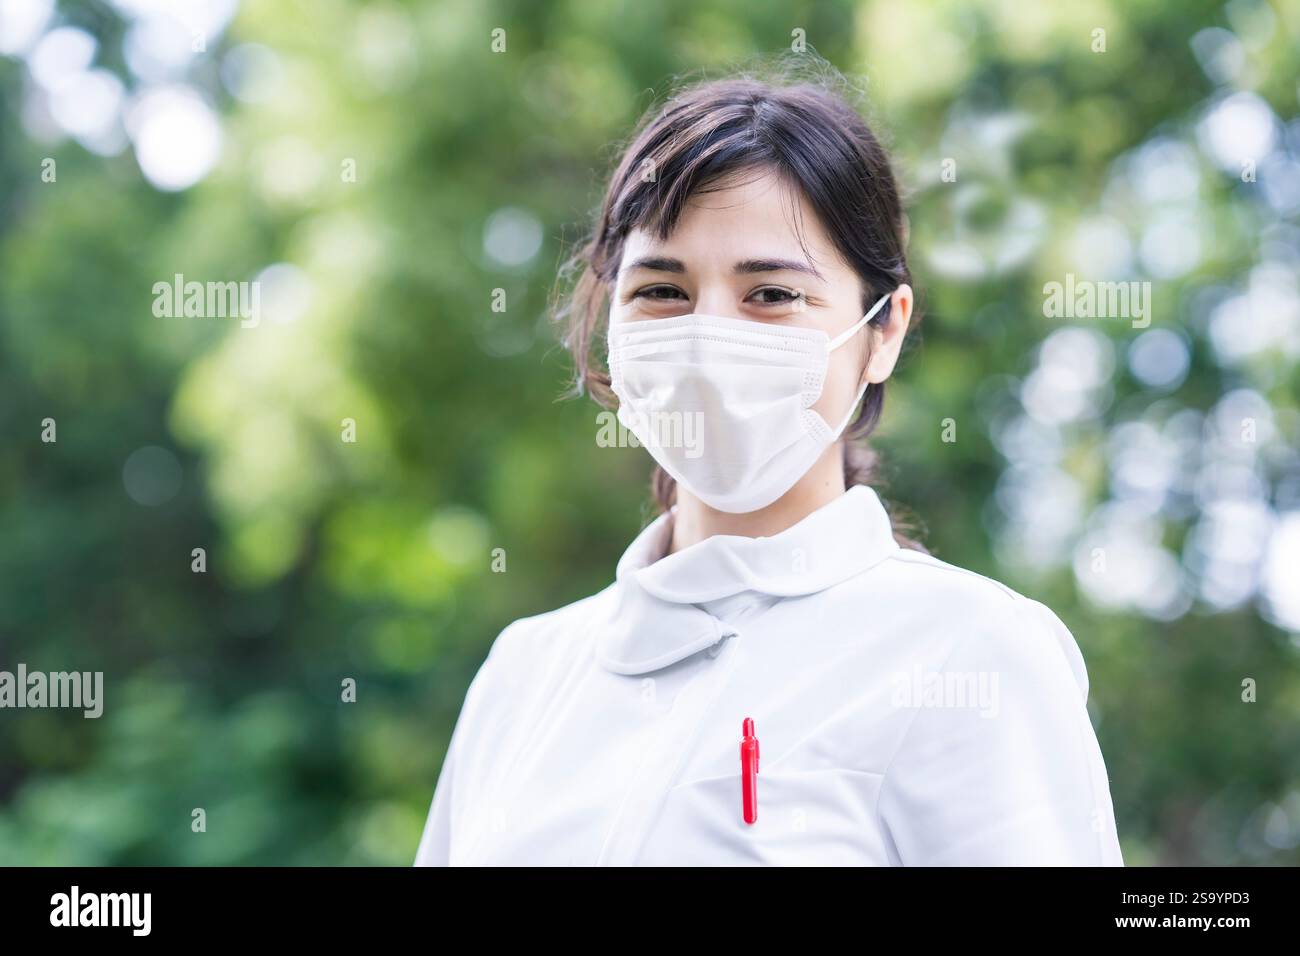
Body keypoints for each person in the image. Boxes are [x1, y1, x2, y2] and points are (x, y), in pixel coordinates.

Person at [414, 63, 1124, 866]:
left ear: (883, 330)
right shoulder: (525, 675)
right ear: (609, 316)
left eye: (772, 295)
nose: (709, 336)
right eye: (662, 290)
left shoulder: (968, 650)